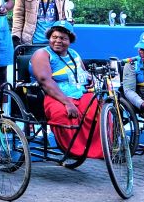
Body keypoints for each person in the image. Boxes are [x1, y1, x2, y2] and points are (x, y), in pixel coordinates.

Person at [30, 21, 101, 158]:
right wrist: (67, 103)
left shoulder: (74, 54)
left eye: (63, 38)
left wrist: (90, 79)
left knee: (98, 109)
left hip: (79, 92)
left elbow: (83, 73)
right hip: (54, 95)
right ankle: (74, 150)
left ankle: (97, 149)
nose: (58, 41)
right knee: (62, 113)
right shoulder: (42, 54)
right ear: (49, 38)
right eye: (54, 37)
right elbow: (45, 81)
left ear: (70, 41)